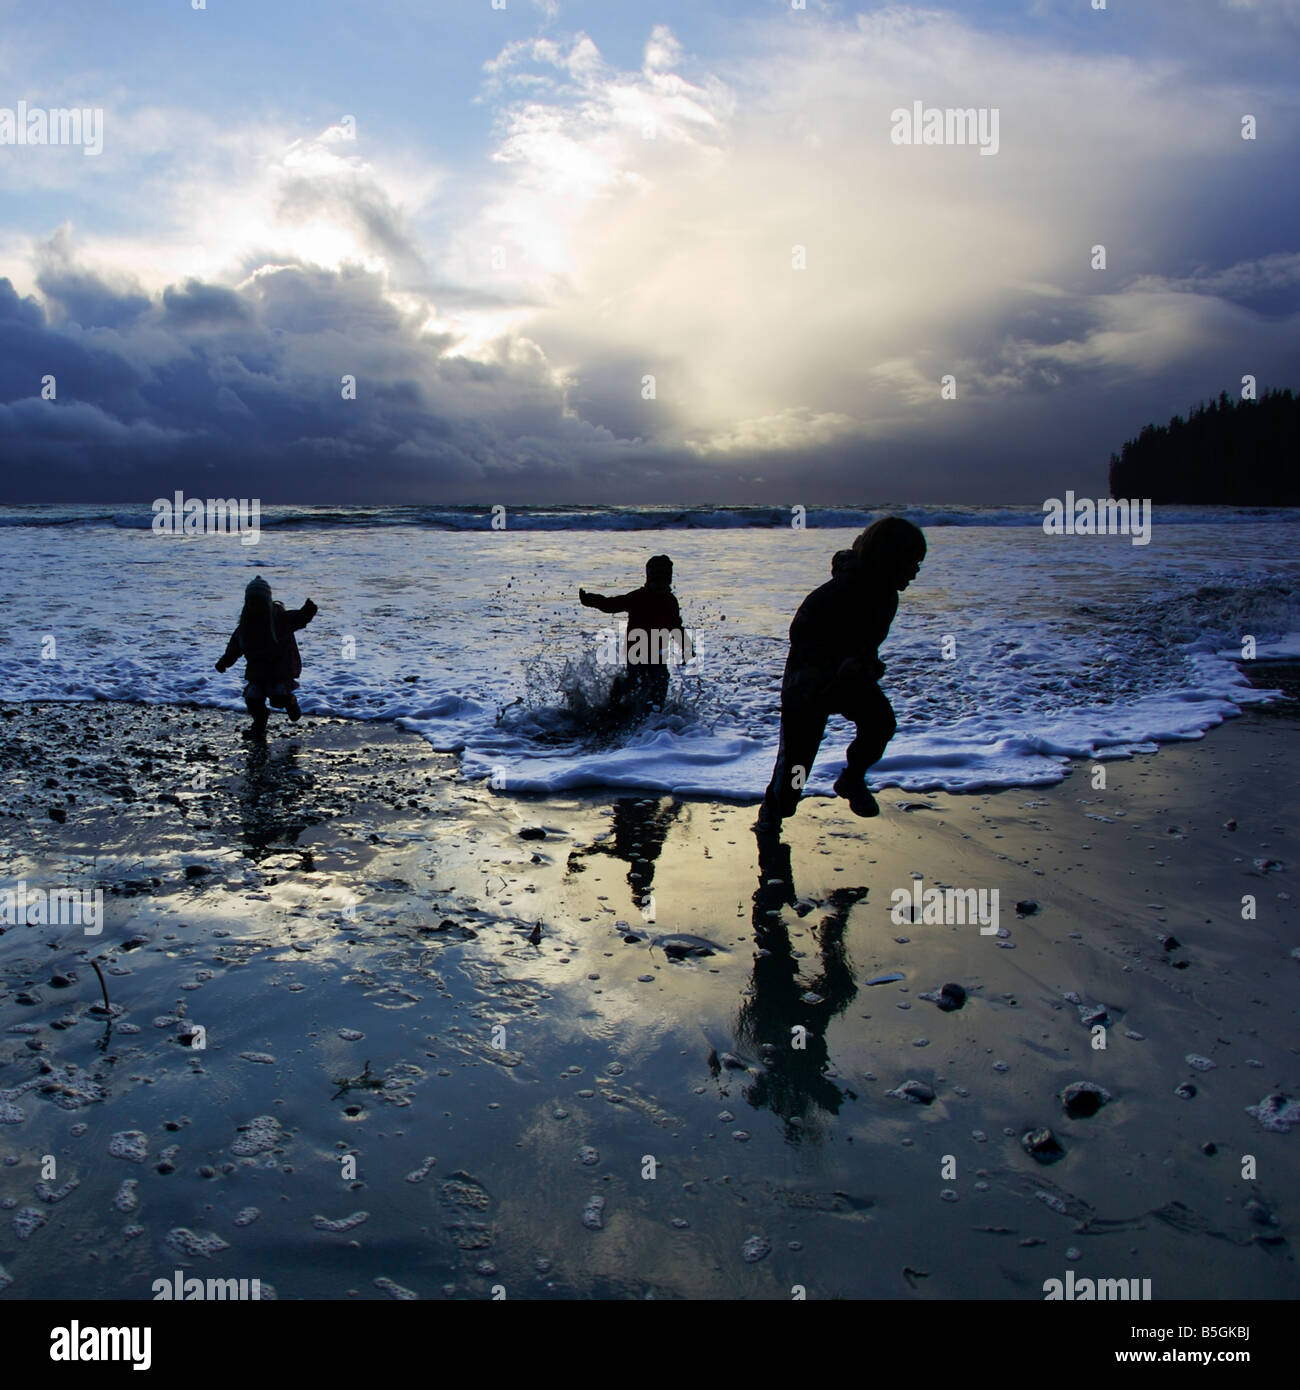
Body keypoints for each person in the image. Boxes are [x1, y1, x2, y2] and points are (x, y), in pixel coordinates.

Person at [757, 517, 925, 829]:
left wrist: (866, 662)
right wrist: (838, 661)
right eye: (911, 562)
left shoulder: (888, 595)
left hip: (850, 680)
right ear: (888, 558)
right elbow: (801, 632)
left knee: (881, 724)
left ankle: (851, 779)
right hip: (807, 686)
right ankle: (774, 814)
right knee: (796, 769)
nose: (916, 571)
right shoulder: (838, 591)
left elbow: (866, 637)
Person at [579, 554, 690, 715]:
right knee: (635, 680)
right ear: (649, 579)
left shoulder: (670, 601)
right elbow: (611, 605)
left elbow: (676, 626)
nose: (660, 586)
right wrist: (590, 599)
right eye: (656, 581)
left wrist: (686, 647)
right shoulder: (638, 597)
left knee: (660, 678)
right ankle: (618, 694)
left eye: (664, 581)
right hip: (636, 649)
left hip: (658, 651)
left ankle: (654, 712)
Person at [215, 575, 319, 739]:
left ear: (267, 601)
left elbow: (298, 619)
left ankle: (290, 702)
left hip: (280, 670)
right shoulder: (245, 626)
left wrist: (308, 610)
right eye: (252, 602)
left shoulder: (279, 619)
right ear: (247, 603)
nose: (255, 606)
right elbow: (235, 647)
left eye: (259, 601)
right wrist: (225, 662)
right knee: (253, 700)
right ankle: (259, 725)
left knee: (278, 699)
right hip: (257, 672)